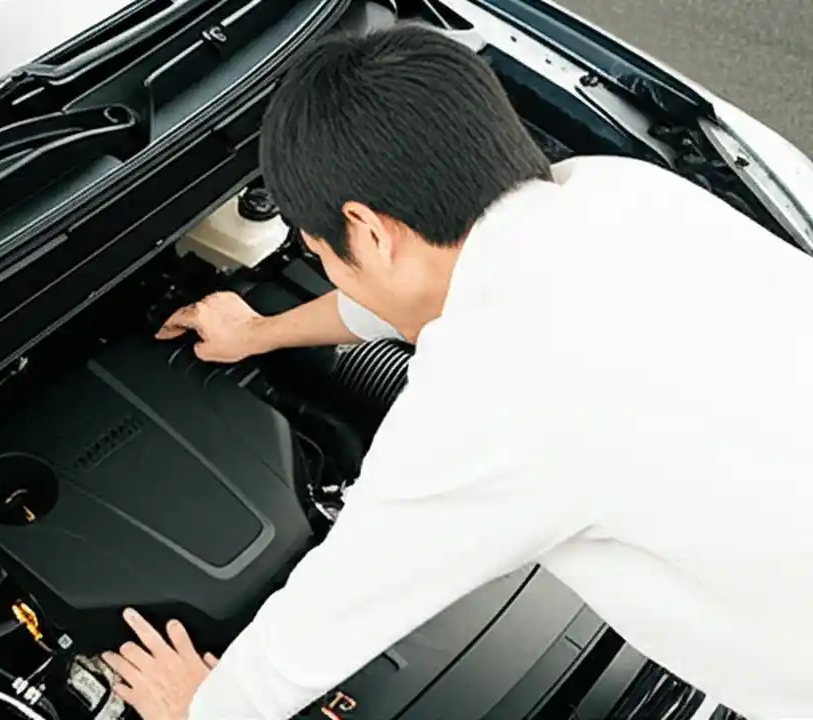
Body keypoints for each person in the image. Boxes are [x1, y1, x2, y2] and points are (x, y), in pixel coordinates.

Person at [96, 22, 813, 720]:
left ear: (371, 232)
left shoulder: (494, 402)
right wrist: (260, 331)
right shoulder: (617, 190)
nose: (326, 269)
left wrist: (199, 706)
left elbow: (335, 611)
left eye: (320, 252)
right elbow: (423, 294)